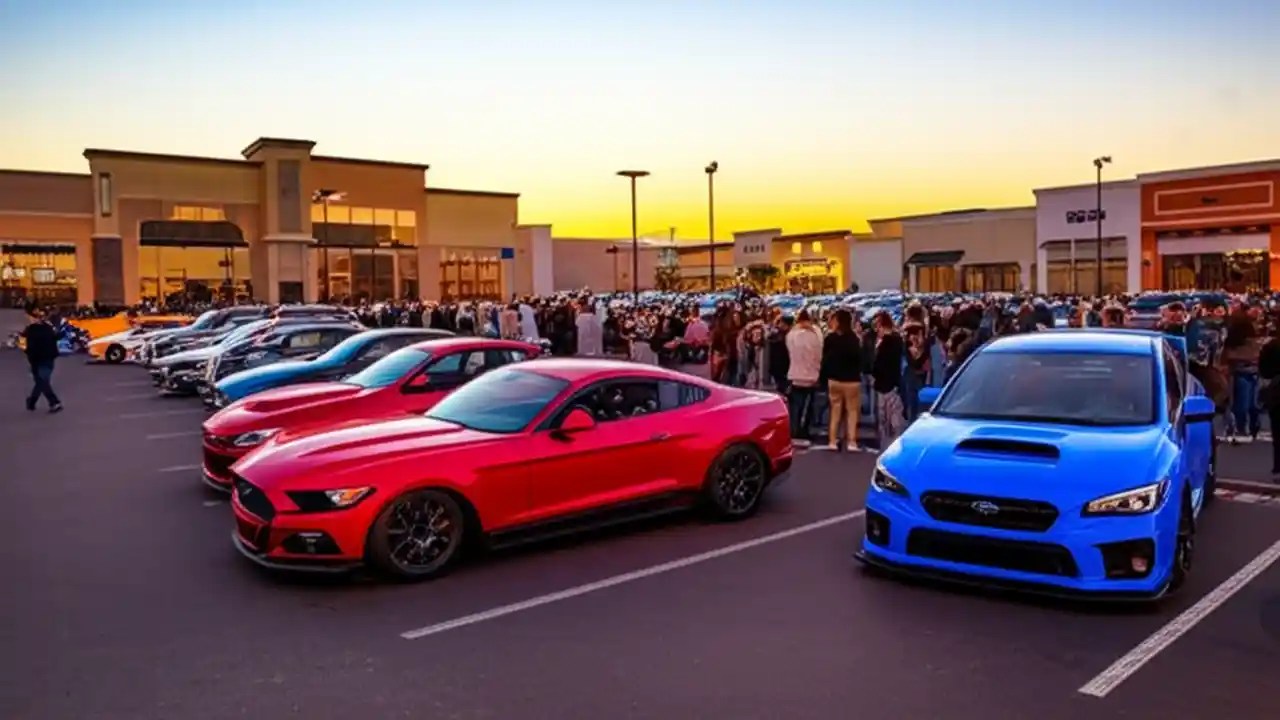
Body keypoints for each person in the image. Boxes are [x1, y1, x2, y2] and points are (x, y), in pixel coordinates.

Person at [821, 308, 862, 452]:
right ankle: (851, 442)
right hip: (852, 380)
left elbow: (824, 359)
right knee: (852, 411)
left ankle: (832, 440)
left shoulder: (830, 339)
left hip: (834, 379)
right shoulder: (854, 339)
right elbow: (859, 358)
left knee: (835, 410)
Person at [784, 309, 822, 447]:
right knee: (808, 405)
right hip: (812, 375)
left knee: (795, 407)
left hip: (795, 373)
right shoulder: (816, 333)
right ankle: (804, 430)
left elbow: (789, 351)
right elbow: (819, 354)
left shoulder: (791, 335)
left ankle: (794, 430)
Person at [871, 311, 905, 449]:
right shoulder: (898, 340)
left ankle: (886, 443)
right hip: (895, 383)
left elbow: (878, 364)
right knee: (894, 415)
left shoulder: (885, 343)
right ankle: (895, 441)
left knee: (884, 416)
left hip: (883, 383)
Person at [22, 308, 63, 413]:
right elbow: (57, 337)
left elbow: (27, 345)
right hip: (46, 358)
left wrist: (29, 355)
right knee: (41, 381)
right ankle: (32, 402)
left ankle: (54, 402)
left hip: (39, 359)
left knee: (42, 381)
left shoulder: (31, 330)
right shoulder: (48, 328)